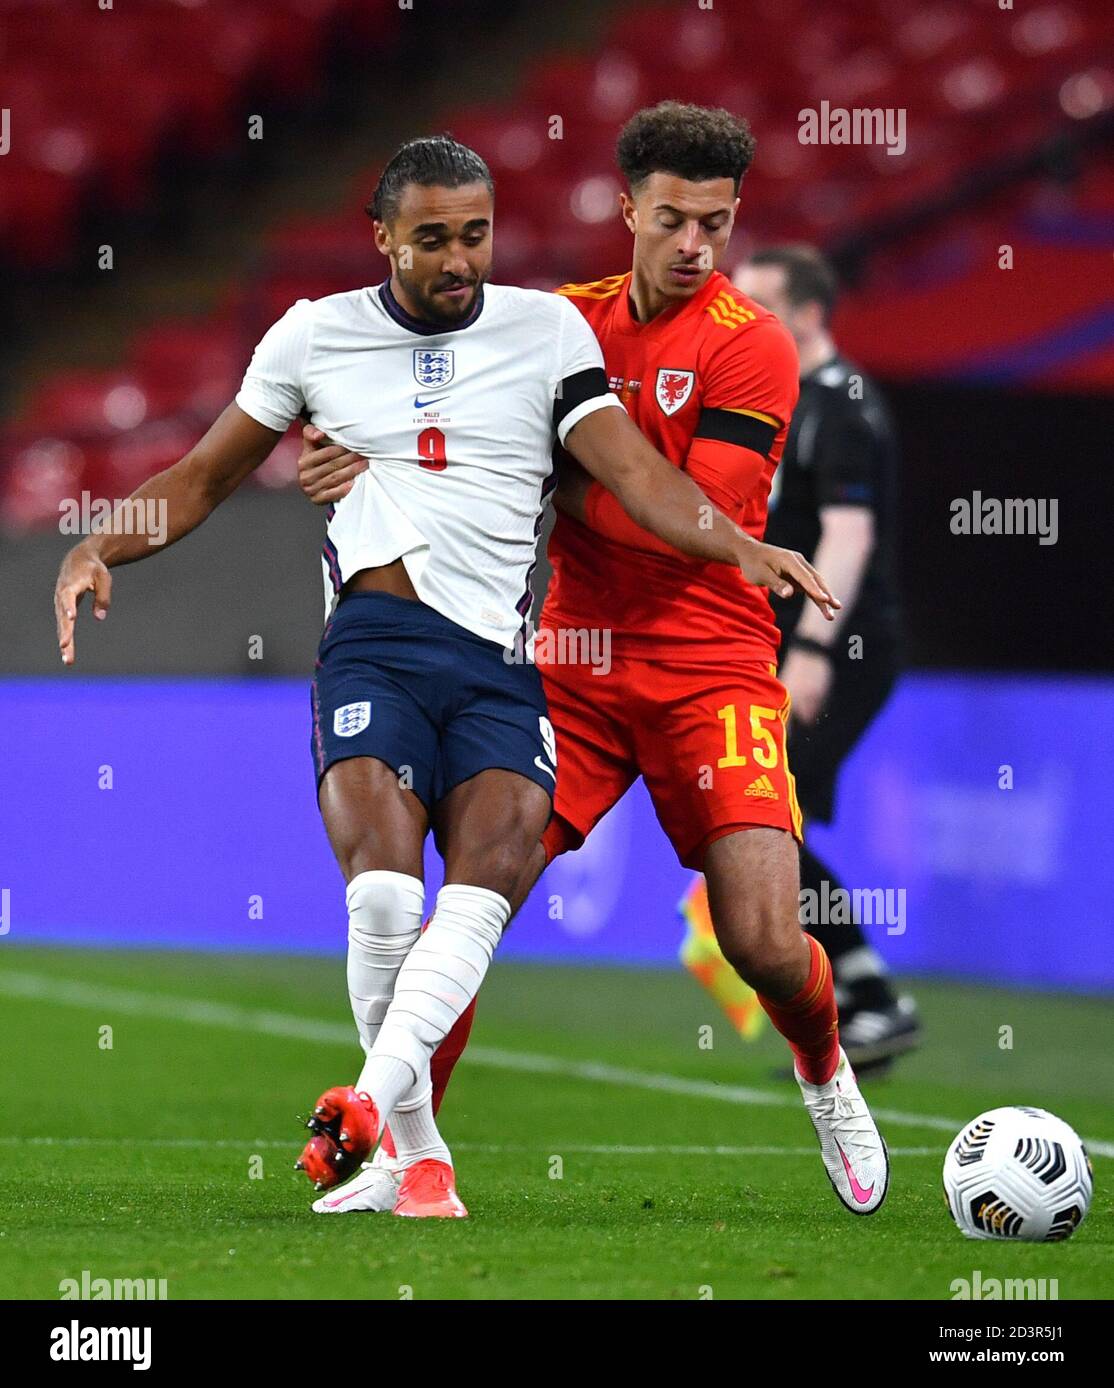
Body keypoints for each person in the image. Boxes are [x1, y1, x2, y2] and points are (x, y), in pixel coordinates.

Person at [53, 134, 834, 1220]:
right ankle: (408, 1147)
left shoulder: (543, 329)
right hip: (376, 647)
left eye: (474, 235)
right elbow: (202, 474)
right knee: (382, 891)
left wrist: (735, 542)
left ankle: (386, 1133)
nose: (458, 258)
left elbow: (634, 474)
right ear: (383, 237)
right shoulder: (314, 335)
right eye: (431, 240)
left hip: (510, 670)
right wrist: (102, 542)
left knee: (484, 893)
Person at [298, 104, 890, 1219]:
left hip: (712, 659)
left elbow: (690, 516)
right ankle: (410, 1155)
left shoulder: (750, 341)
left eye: (714, 223)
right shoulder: (554, 324)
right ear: (627, 210)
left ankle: (825, 1069)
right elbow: (422, 416)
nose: (693, 245)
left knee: (764, 937)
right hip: (568, 660)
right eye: (671, 219)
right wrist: (348, 455)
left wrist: (548, 481)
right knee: (475, 897)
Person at [725, 245, 921, 1071]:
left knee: (765, 814)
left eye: (758, 305)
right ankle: (851, 994)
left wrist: (809, 647)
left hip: (842, 646)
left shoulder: (841, 405)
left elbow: (849, 534)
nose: (738, 321)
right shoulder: (783, 398)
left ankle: (870, 993)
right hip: (793, 643)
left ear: (806, 313)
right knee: (762, 816)